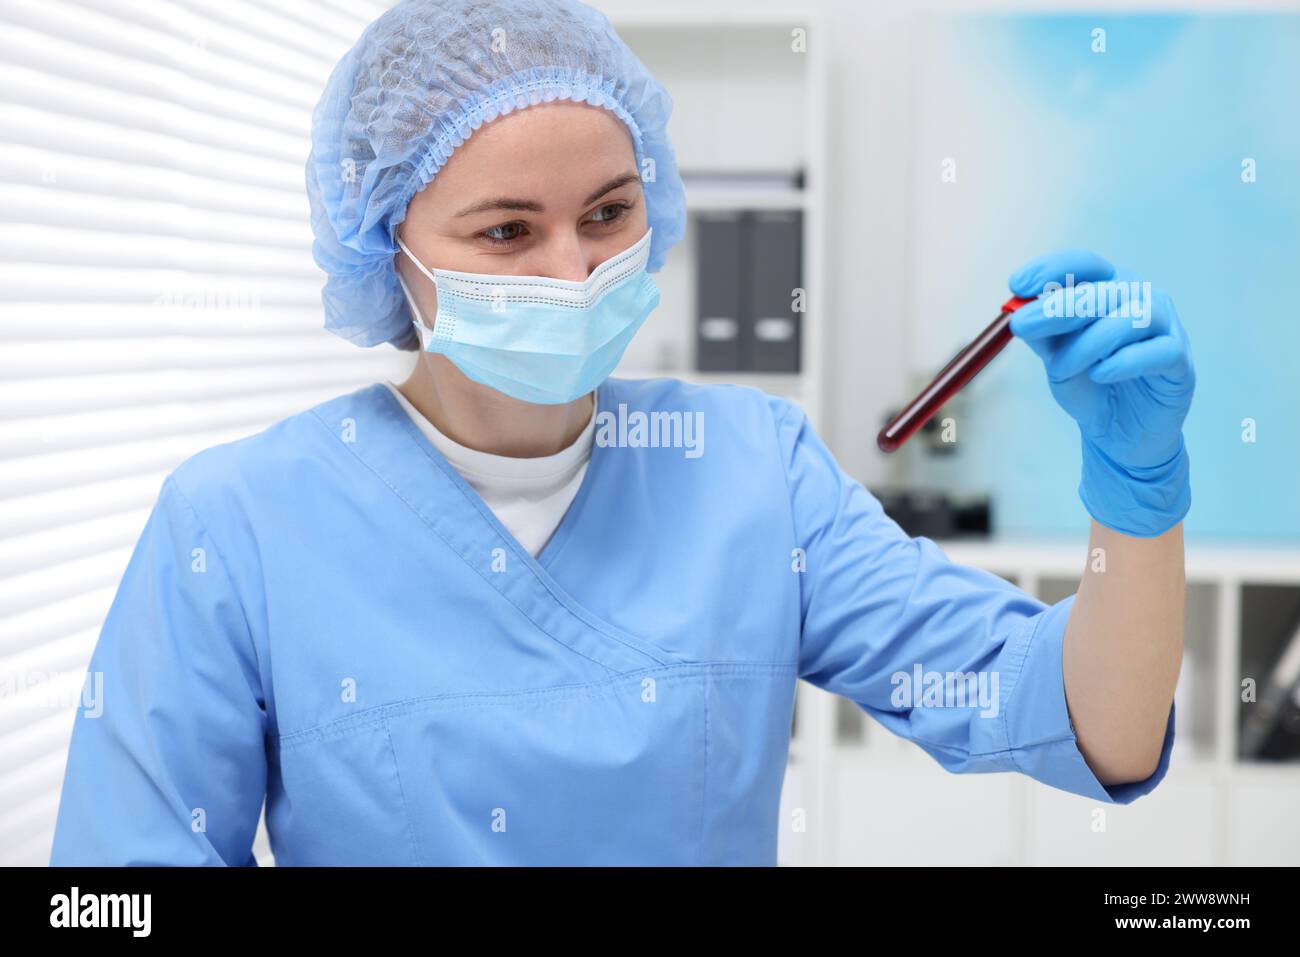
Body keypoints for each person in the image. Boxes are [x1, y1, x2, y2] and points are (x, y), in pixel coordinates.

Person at [48, 0, 1193, 866]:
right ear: (385, 250)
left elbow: (1089, 722)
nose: (575, 269)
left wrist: (1133, 498)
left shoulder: (752, 472)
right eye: (506, 233)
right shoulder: (240, 524)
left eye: (607, 212)